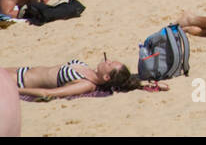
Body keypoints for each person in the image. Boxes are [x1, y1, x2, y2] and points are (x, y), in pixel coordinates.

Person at [3, 55, 142, 99]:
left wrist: (14, 91)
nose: (107, 60)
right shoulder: (88, 69)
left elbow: (48, 93)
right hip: (21, 70)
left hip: (20, 82)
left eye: (110, 64)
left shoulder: (86, 84)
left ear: (106, 77)